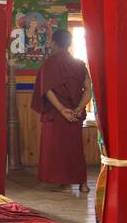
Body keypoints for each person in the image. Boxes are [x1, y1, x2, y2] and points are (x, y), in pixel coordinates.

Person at [31, 28, 92, 192]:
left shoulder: (49, 63)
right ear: (70, 43)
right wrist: (79, 108)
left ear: (53, 43)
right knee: (75, 149)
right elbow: (88, 89)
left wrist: (62, 110)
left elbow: (47, 89)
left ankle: (64, 180)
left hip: (57, 114)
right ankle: (82, 183)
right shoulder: (79, 65)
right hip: (75, 113)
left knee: (58, 149)